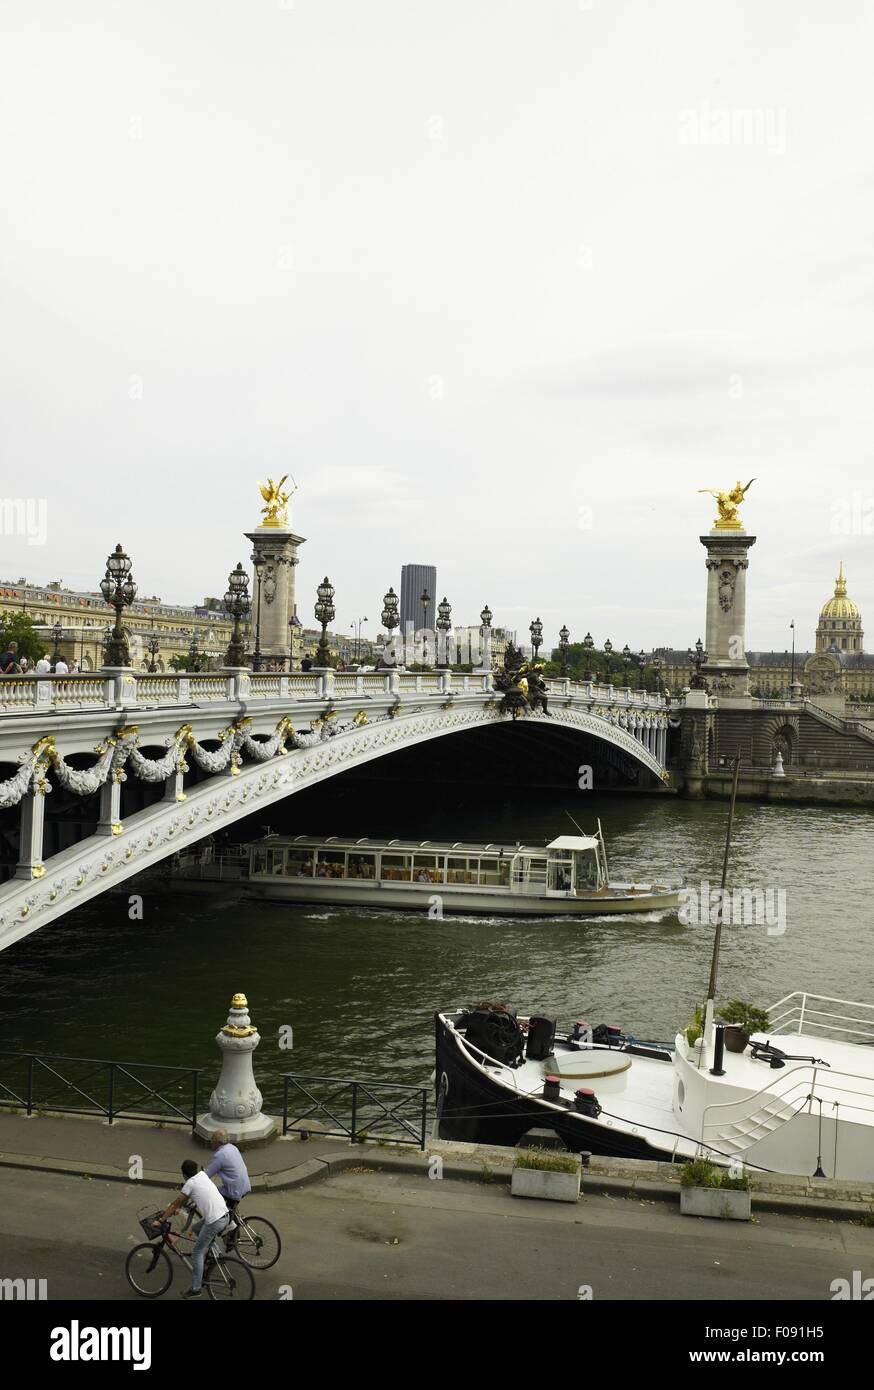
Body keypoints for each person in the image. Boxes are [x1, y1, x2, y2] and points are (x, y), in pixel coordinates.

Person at [161, 1159, 230, 1299]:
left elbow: (176, 1202)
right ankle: (215, 1254)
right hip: (225, 1215)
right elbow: (186, 1199)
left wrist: (161, 1219)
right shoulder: (202, 1175)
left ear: (184, 1174)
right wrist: (180, 1207)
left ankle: (196, 1288)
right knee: (196, 1228)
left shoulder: (190, 1183)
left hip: (214, 1221)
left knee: (197, 1252)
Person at [204, 1130, 252, 1238]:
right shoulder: (232, 1147)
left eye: (212, 1139)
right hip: (244, 1185)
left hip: (234, 1190)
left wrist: (195, 1179)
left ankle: (229, 1231)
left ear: (217, 1142)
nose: (211, 1142)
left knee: (214, 1200)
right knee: (228, 1209)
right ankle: (232, 1234)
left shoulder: (220, 1155)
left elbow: (207, 1174)